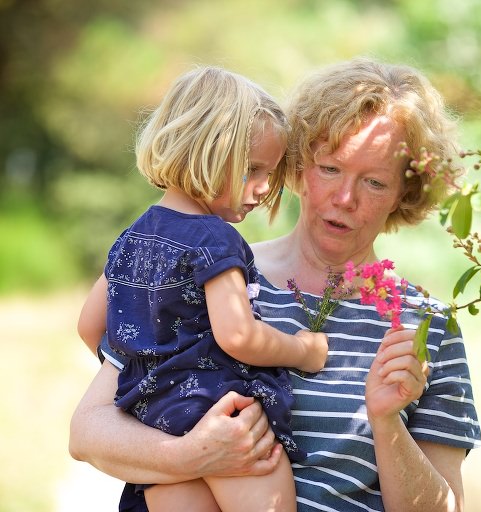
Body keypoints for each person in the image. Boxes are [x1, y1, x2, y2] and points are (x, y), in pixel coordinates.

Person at [70, 57, 481, 512]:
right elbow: (88, 432)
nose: (345, 198)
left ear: (405, 193)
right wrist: (191, 455)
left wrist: (386, 423)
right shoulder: (214, 273)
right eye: (330, 169)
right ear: (299, 166)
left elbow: (445, 507)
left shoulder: (426, 327)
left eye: (375, 182)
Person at [75, 65, 328, 512]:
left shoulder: (132, 236)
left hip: (152, 424)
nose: (264, 188)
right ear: (205, 152)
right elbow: (240, 336)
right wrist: (303, 350)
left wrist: (149, 363)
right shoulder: (215, 238)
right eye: (252, 169)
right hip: (226, 417)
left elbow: (89, 325)